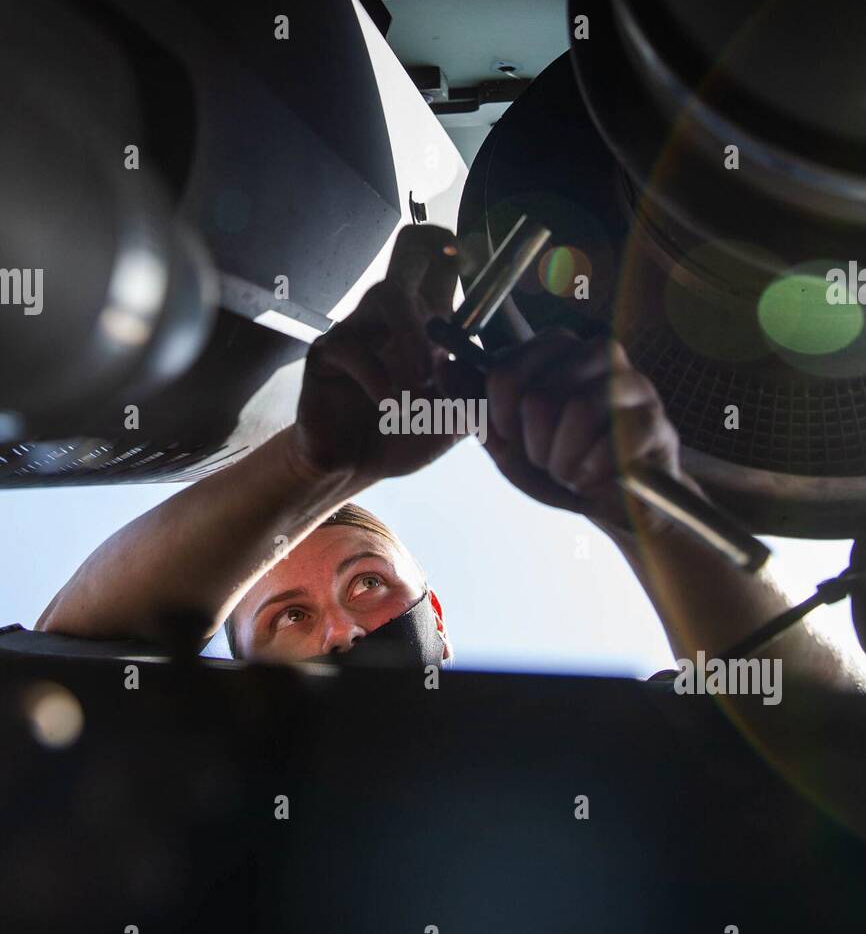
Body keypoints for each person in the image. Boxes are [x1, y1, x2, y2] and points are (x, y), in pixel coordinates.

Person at [35, 225, 866, 693]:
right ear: (234, 665)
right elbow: (67, 654)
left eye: (368, 582)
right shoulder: (185, 797)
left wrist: (646, 507)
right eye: (286, 617)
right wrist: (315, 465)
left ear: (437, 619)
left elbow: (821, 726)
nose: (344, 632)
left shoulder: (583, 764)